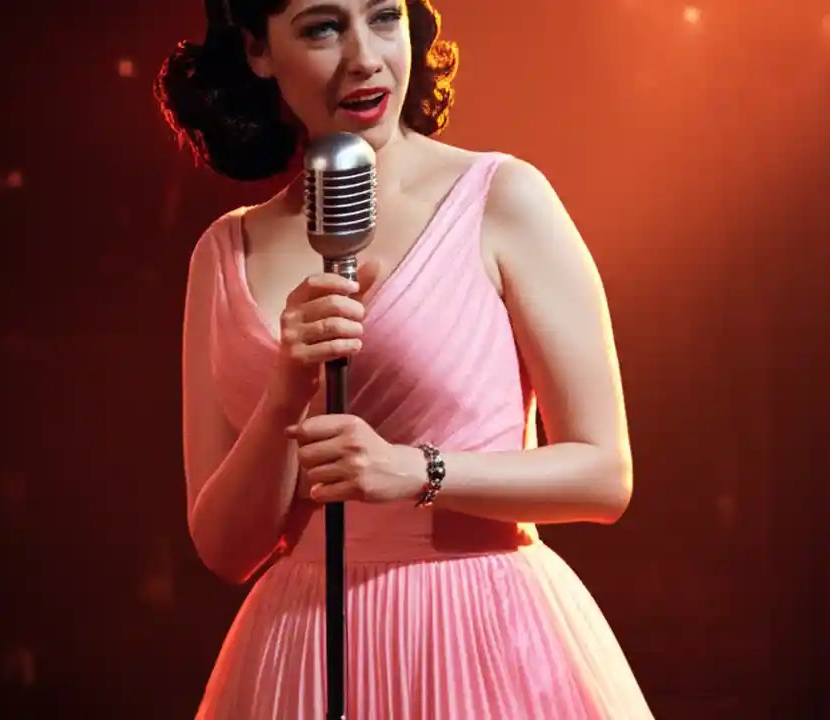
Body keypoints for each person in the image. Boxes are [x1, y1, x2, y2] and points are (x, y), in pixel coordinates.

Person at [154, 1, 654, 717]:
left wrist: (417, 470)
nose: (365, 56)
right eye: (323, 27)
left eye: (384, 16)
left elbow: (604, 474)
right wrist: (286, 390)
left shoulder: (502, 198)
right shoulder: (225, 251)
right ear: (259, 50)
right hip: (302, 645)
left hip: (479, 636)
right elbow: (225, 550)